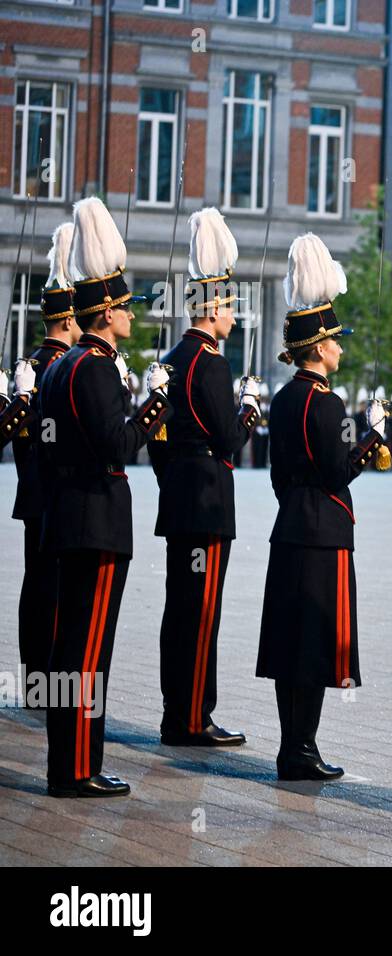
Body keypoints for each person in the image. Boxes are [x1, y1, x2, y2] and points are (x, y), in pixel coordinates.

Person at [41, 197, 171, 797]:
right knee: (87, 649)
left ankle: (77, 763)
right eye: (127, 310)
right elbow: (117, 444)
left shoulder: (62, 366)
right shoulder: (93, 368)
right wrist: (152, 406)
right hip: (95, 521)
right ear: (109, 311)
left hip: (72, 517)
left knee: (76, 646)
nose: (133, 319)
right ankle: (74, 769)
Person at [256, 233, 387, 781]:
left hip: (290, 526)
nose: (340, 348)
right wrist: (371, 435)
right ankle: (301, 749)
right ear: (318, 348)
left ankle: (294, 746)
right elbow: (338, 469)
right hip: (324, 532)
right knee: (313, 644)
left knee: (292, 644)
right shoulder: (327, 401)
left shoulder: (285, 399)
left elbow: (279, 474)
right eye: (335, 342)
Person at [150, 208, 260, 747]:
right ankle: (193, 719)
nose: (234, 318)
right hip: (209, 502)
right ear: (212, 308)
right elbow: (229, 439)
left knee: (180, 609)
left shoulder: (171, 360)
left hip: (178, 499)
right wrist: (249, 408)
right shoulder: (211, 364)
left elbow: (156, 439)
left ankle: (178, 712)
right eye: (230, 309)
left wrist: (172, 479)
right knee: (202, 613)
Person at [6, 222, 80, 706]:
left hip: (30, 488)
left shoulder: (31, 363)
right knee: (53, 590)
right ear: (70, 320)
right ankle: (45, 681)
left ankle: (34, 676)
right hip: (56, 491)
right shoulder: (62, 366)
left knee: (36, 584)